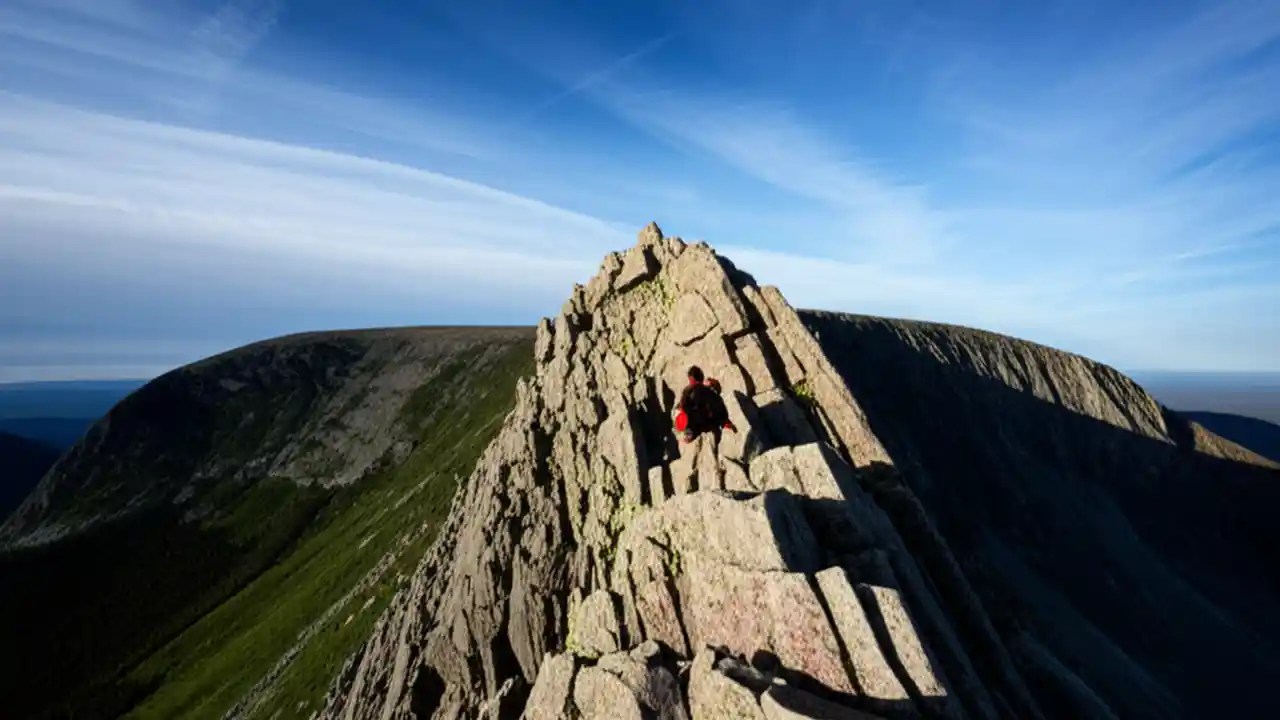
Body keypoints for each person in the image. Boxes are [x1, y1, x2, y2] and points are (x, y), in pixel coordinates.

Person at [676, 365, 737, 443]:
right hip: (702, 421)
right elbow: (718, 408)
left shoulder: (687, 390)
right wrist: (725, 422)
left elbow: (683, 405)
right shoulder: (707, 393)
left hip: (689, 420)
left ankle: (690, 432)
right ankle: (691, 432)